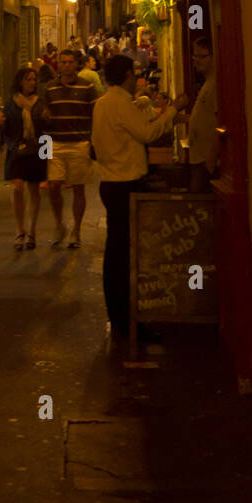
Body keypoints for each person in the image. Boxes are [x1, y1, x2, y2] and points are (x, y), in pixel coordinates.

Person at [91, 54, 188, 344]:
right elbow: (148, 133)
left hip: (110, 182)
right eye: (133, 74)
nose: (137, 79)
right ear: (124, 76)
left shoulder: (102, 104)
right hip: (125, 185)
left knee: (116, 253)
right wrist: (172, 111)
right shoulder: (121, 104)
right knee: (127, 255)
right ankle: (127, 318)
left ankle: (118, 315)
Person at [44, 48, 98, 248]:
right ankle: (59, 225)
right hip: (55, 143)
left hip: (79, 143)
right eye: (63, 62)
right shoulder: (50, 88)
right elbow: (44, 117)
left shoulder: (87, 86)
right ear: (58, 64)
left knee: (78, 187)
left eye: (69, 62)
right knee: (53, 186)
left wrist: (92, 142)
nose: (66, 65)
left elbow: (96, 114)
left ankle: (76, 229)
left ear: (76, 64)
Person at [3, 67, 51, 250]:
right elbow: (6, 129)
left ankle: (31, 231)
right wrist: (1, 127)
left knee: (34, 191)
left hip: (37, 150)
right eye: (28, 79)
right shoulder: (11, 103)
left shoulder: (41, 103)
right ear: (20, 82)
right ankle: (19, 230)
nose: (32, 82)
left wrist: (47, 157)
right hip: (17, 150)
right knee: (17, 188)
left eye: (34, 79)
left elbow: (47, 131)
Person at [186, 36, 220, 178]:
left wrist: (212, 158)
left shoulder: (216, 86)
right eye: (195, 56)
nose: (197, 60)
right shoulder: (208, 83)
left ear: (214, 57)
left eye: (202, 56)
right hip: (199, 158)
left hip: (206, 160)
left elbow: (221, 122)